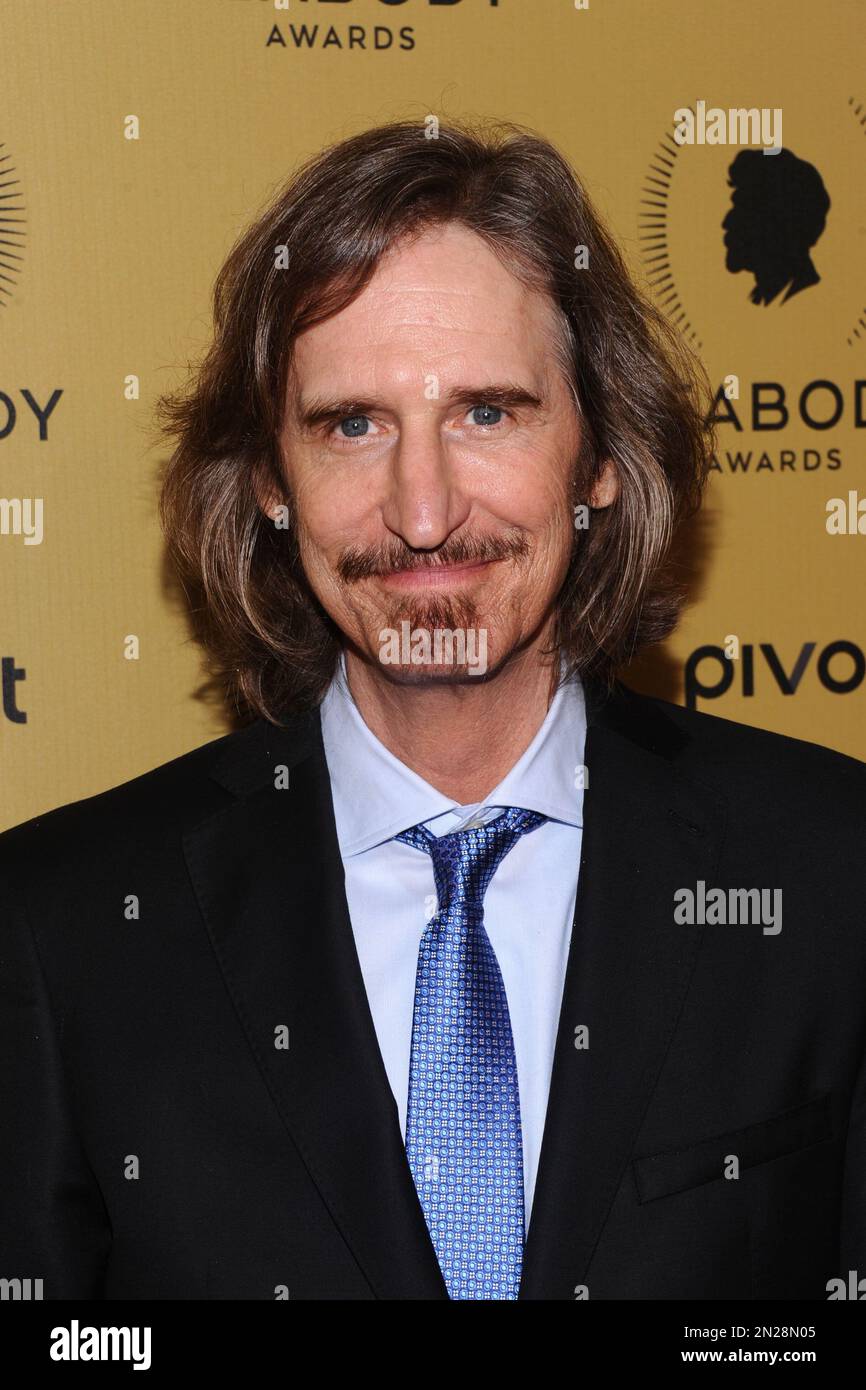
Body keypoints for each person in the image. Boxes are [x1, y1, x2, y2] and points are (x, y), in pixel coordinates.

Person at [1, 119, 864, 1301]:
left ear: (599, 457)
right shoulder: (64, 928)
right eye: (352, 425)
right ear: (267, 483)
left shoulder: (828, 869)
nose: (421, 510)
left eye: (487, 413)